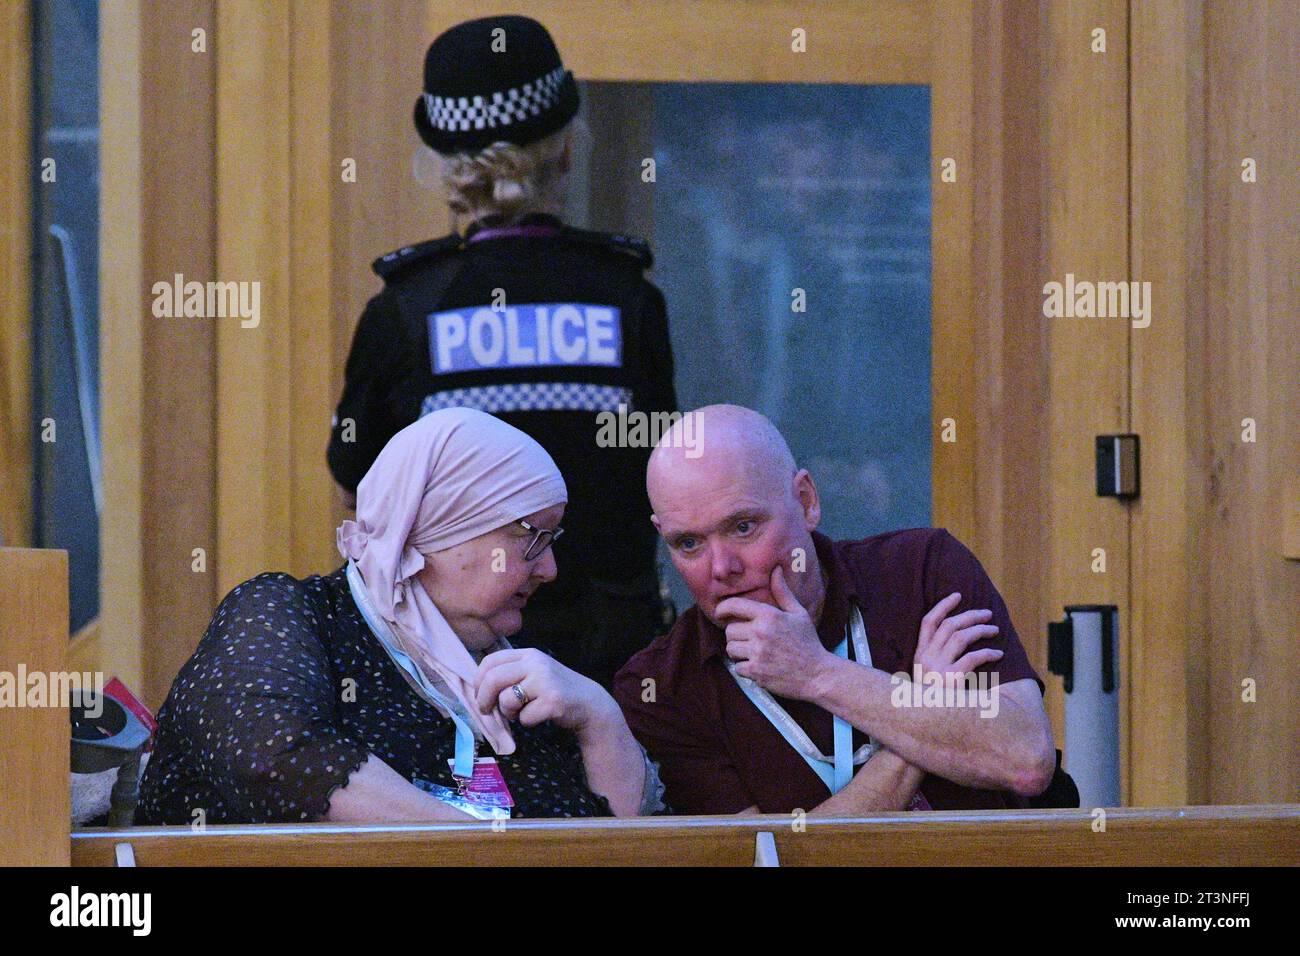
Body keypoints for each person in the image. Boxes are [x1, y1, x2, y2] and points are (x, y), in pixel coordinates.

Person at [327, 15, 676, 688]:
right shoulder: (627, 296)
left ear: (445, 171)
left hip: (446, 671)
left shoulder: (404, 308)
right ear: (568, 150)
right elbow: (663, 470)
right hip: (614, 665)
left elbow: (356, 482)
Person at [137, 407, 664, 824]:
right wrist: (494, 855)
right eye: (531, 538)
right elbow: (277, 758)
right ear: (440, 525)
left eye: (554, 540)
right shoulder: (290, 614)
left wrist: (599, 719)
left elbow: (617, 848)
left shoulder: (519, 677)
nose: (549, 568)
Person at [613, 404, 1059, 815]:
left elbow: (1024, 759)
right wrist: (924, 716)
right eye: (688, 543)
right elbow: (773, 866)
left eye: (743, 527)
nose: (722, 568)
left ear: (806, 501)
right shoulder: (660, 686)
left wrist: (817, 673)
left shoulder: (921, 571)